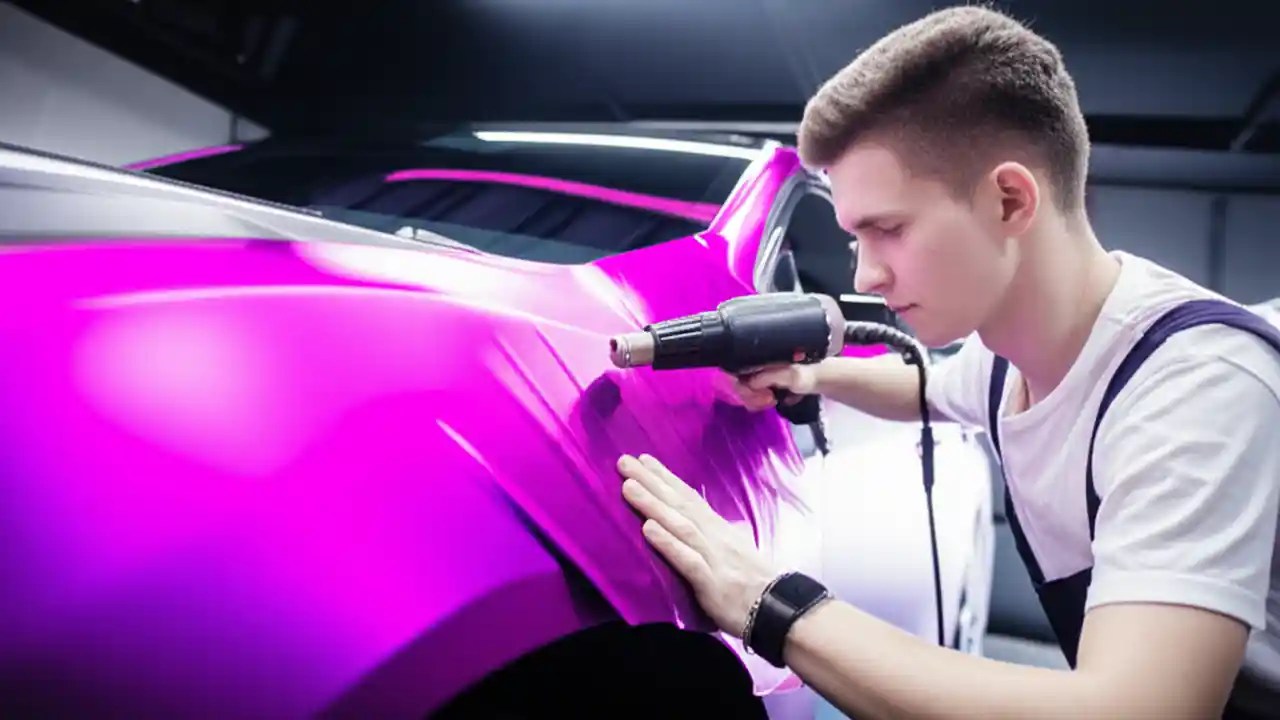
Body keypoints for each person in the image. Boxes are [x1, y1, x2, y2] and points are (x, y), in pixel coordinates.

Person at [614, 5, 1280, 719]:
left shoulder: (1192, 392)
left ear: (1009, 199)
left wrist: (767, 603)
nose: (864, 277)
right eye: (854, 240)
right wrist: (813, 378)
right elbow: (927, 388)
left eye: (889, 230)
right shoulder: (1010, 355)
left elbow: (1139, 711)